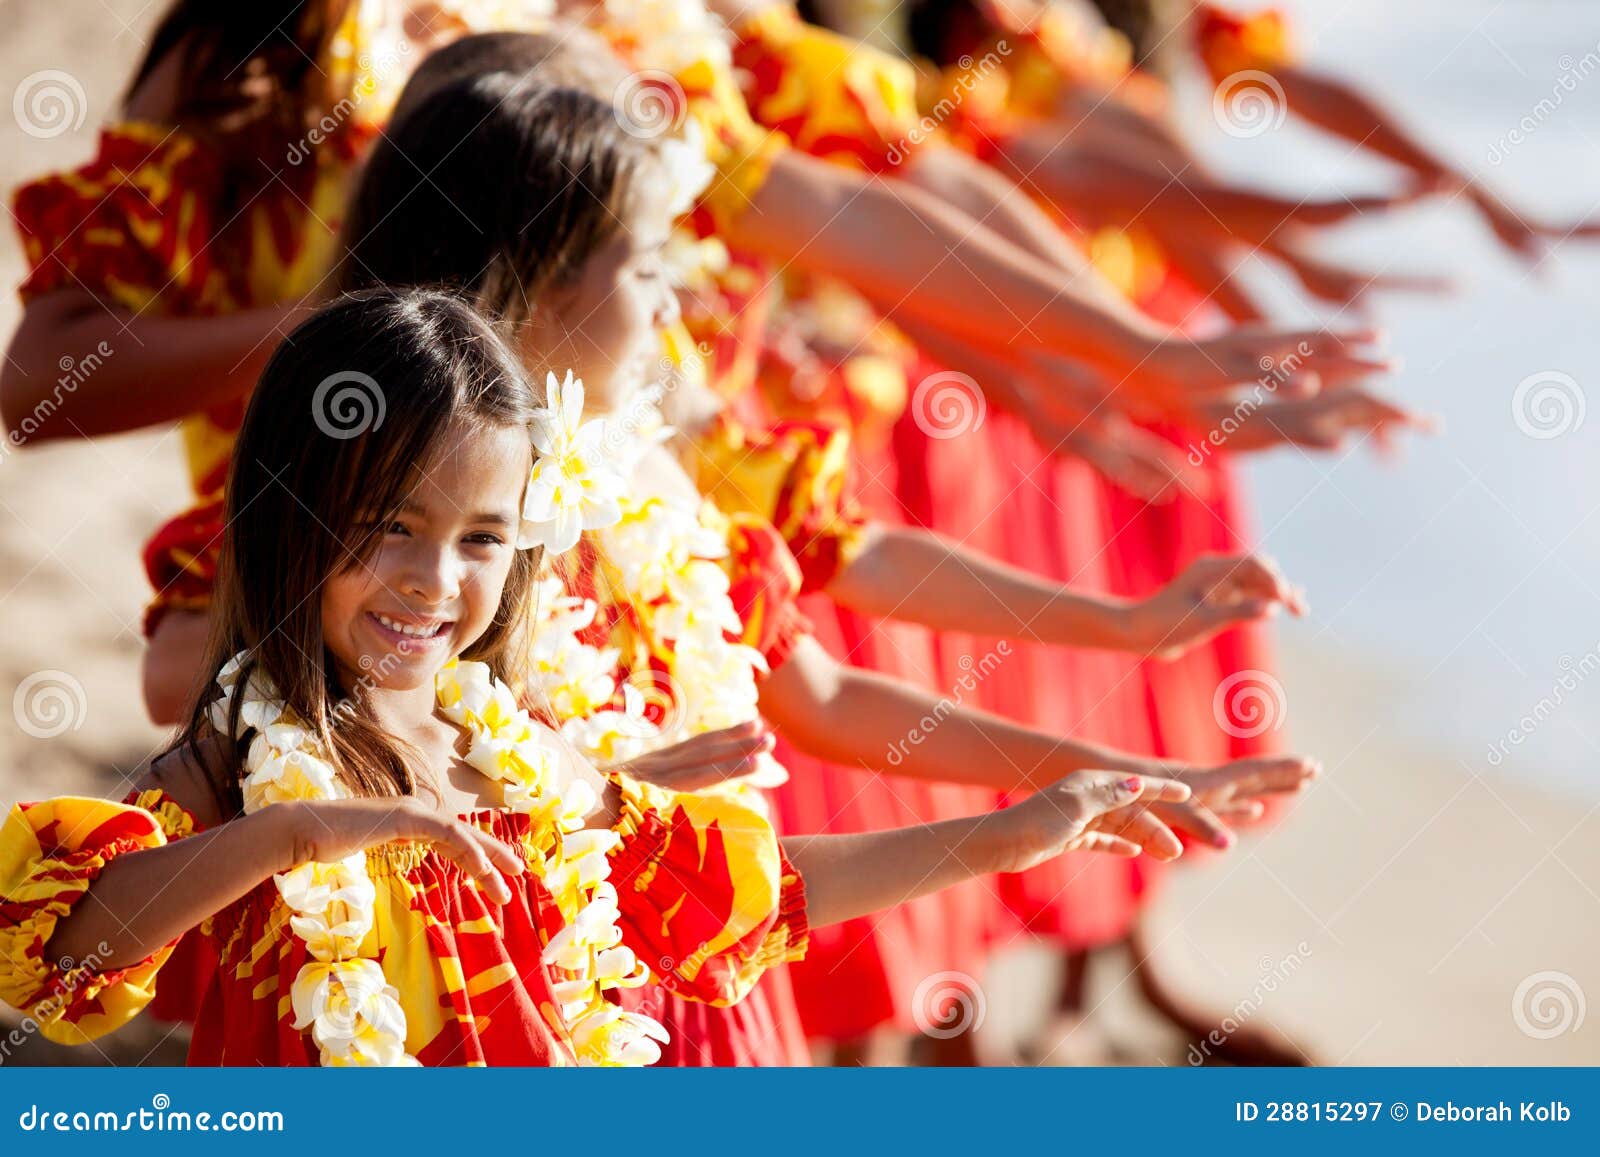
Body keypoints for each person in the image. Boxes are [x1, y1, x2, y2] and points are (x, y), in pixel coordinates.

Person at [0, 288, 1206, 1066]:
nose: (434, 579)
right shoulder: (241, 760)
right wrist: (300, 831)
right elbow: (59, 951)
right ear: (289, 516)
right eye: (388, 525)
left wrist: (1011, 834)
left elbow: (757, 896)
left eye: (480, 537)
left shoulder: (517, 750)